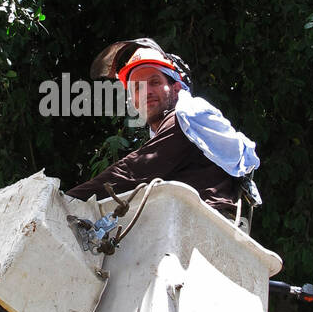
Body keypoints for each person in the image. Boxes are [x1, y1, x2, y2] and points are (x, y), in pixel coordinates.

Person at [65, 39, 262, 226]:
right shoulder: (170, 132)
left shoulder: (184, 117)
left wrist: (64, 201)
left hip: (206, 227)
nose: (146, 92)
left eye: (155, 82)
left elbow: (131, 172)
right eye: (137, 88)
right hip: (186, 225)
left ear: (176, 88)